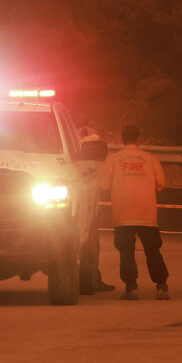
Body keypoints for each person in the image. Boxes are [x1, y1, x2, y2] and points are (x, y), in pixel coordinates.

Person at [104, 123, 170, 300]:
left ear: (122, 139)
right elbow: (161, 184)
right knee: (152, 250)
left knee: (126, 252)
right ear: (139, 139)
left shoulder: (113, 160)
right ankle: (161, 286)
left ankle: (131, 287)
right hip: (146, 213)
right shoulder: (150, 159)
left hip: (122, 214)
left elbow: (103, 184)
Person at [76, 119, 113, 293]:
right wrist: (91, 134)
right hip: (85, 200)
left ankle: (92, 278)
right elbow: (97, 147)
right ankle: (88, 281)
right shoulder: (85, 142)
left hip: (82, 199)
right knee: (87, 243)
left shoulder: (72, 144)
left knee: (88, 243)